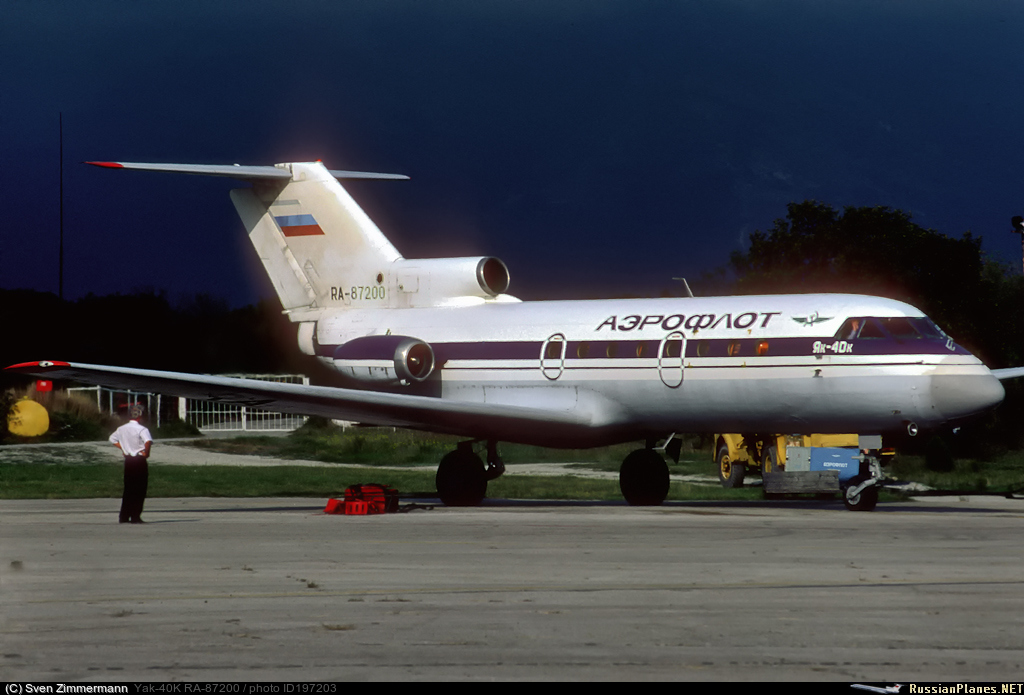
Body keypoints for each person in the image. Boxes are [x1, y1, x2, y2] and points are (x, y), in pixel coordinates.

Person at [109, 403, 153, 524]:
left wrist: (123, 448)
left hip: (128, 460)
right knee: (139, 488)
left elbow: (112, 439)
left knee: (128, 488)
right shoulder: (142, 429)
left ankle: (124, 516)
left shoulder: (122, 428)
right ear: (140, 416)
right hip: (139, 459)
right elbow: (148, 441)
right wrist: (146, 453)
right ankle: (135, 515)